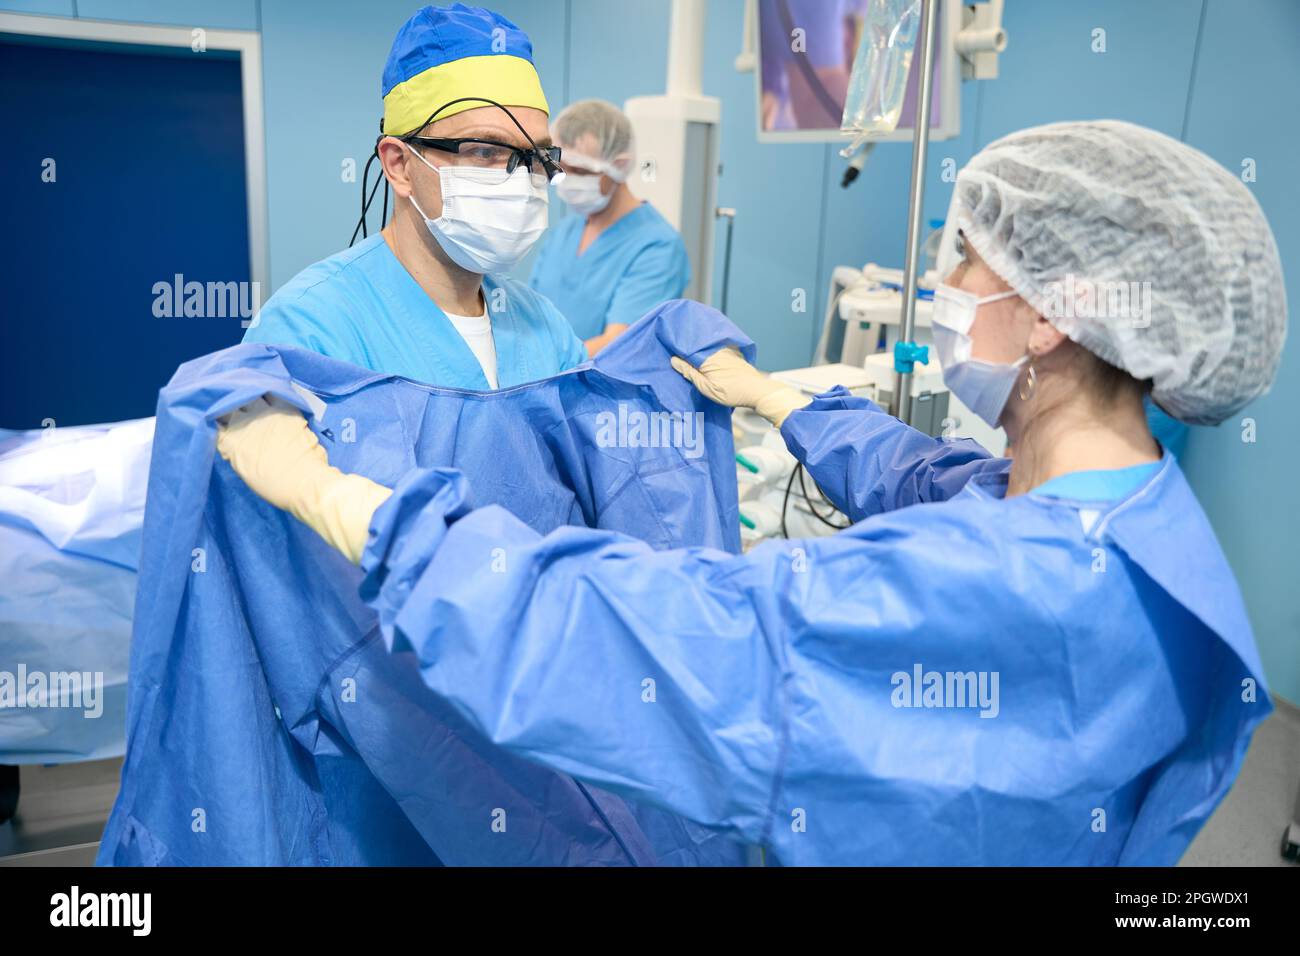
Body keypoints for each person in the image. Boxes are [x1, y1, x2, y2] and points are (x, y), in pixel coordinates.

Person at [216, 121, 1287, 864]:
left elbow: (648, 636)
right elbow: (926, 478)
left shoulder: (1003, 586)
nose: (942, 283)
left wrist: (343, 504)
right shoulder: (1132, 519)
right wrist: (782, 400)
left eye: (963, 257)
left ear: (1053, 314)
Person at [244, 4, 585, 389]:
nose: (521, 181)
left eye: (536, 155)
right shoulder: (311, 328)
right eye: (486, 151)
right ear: (399, 165)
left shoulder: (544, 328)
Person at [529, 99, 690, 356]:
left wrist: (541, 363)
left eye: (580, 170)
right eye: (561, 167)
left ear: (619, 166)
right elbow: (531, 316)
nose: (566, 179)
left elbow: (619, 343)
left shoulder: (657, 246)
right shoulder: (565, 232)